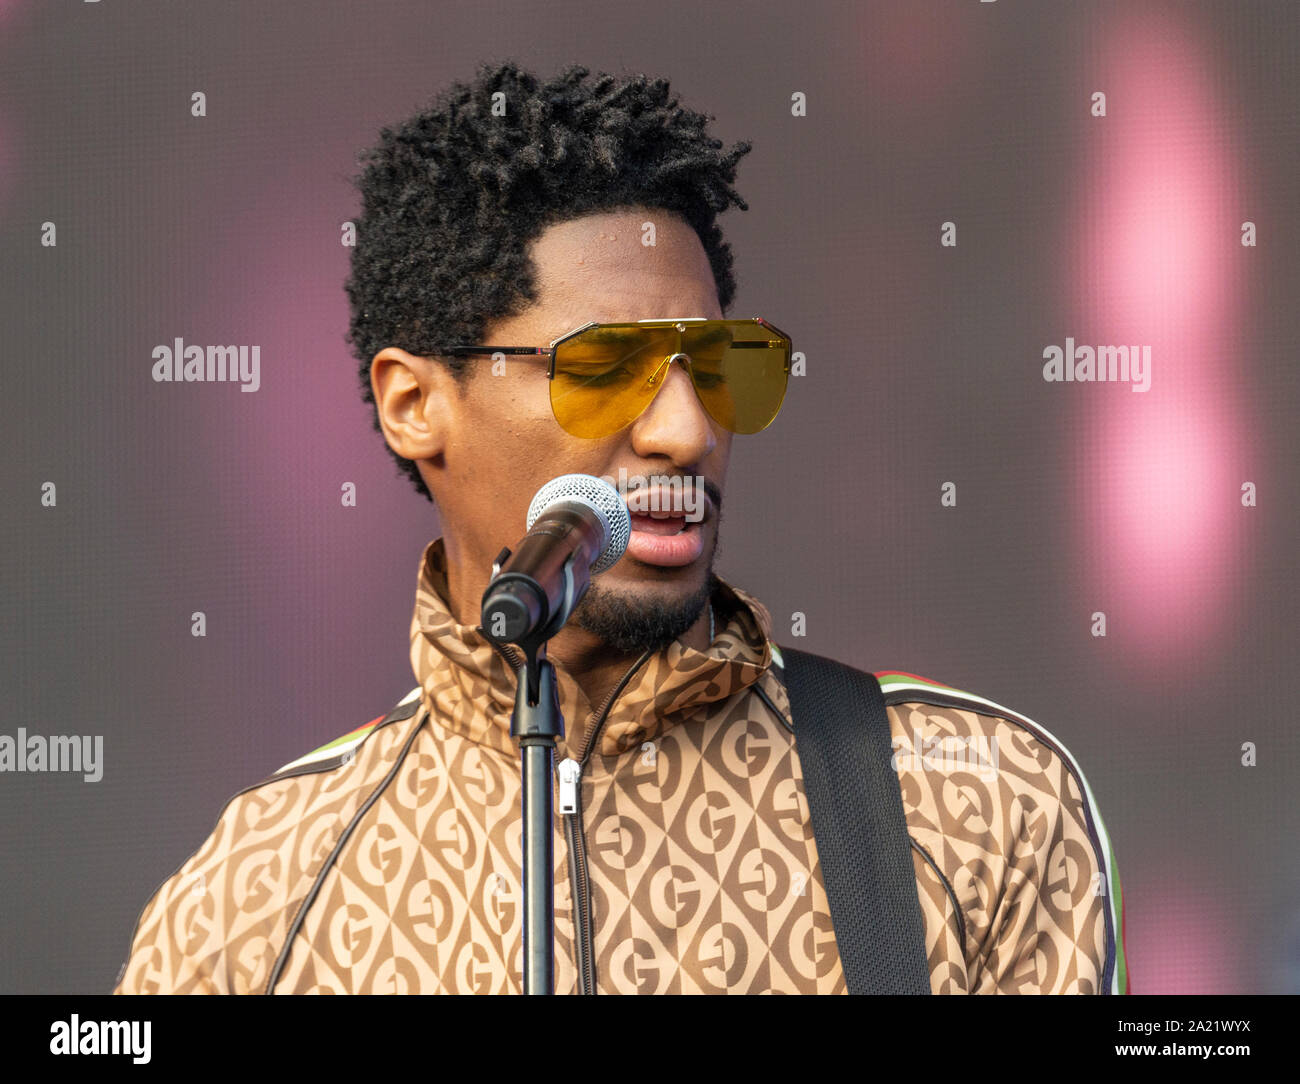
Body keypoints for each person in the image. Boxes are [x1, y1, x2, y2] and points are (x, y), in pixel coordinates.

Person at [112, 60, 1128, 995]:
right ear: (413, 403)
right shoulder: (250, 898)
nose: (686, 432)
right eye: (604, 368)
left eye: (723, 367)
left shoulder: (977, 804)